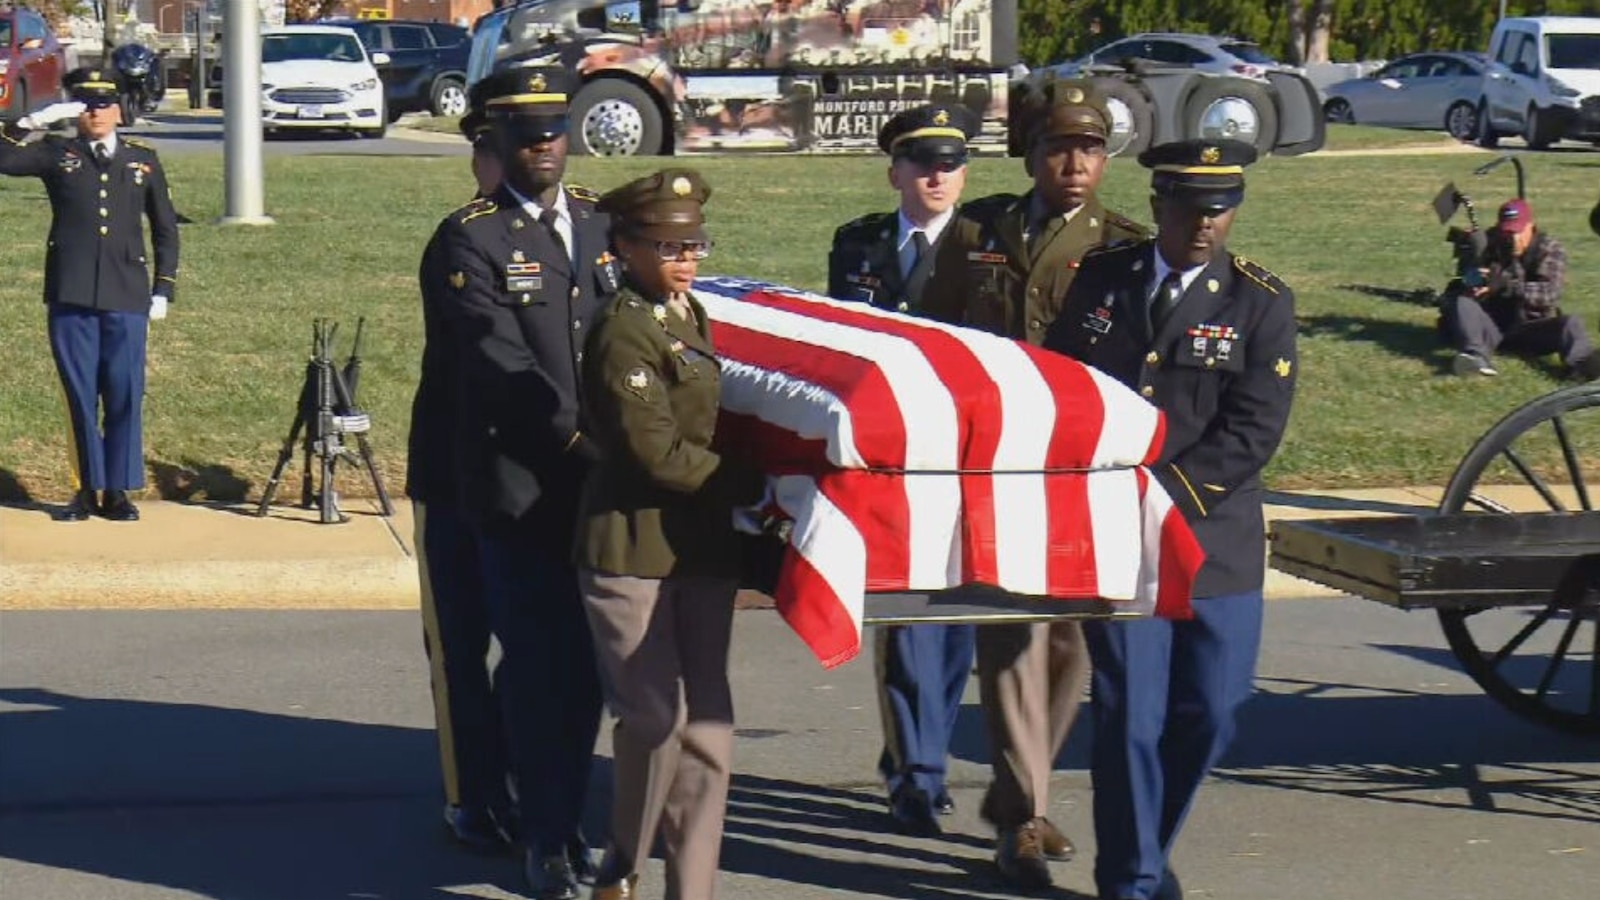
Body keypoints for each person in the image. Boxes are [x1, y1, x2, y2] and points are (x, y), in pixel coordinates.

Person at [1043, 139, 1297, 900]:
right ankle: (1133, 877)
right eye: (1190, 208)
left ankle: (1148, 847)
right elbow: (1069, 388)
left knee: (1213, 713)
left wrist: (1171, 498)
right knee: (1127, 714)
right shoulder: (1102, 279)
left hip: (1213, 542)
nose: (1205, 225)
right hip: (1119, 538)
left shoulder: (1259, 300)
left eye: (1221, 211)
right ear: (1158, 207)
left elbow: (1254, 429)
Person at [920, 76, 1147, 890]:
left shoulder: (1125, 242)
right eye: (1059, 148)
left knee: (1068, 643)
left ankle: (1025, 794)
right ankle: (1022, 815)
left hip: (1081, 467)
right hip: (995, 459)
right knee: (1007, 630)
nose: (1075, 162)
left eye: (1089, 148)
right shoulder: (981, 229)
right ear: (1032, 154)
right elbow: (935, 332)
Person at [433, 65, 617, 899]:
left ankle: (561, 814)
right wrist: (581, 437)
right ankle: (549, 838)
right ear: (496, 144)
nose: (545, 145)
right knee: (544, 665)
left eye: (555, 130)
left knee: (582, 671)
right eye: (526, 134)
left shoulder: (603, 224)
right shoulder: (468, 240)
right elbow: (497, 362)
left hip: (599, 487)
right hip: (519, 490)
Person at [578, 168, 767, 900]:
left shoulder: (687, 315)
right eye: (667, 245)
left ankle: (692, 890)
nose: (685, 259)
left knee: (709, 727)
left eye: (694, 244)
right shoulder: (623, 330)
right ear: (624, 247)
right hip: (631, 548)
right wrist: (753, 484)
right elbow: (651, 449)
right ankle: (623, 861)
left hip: (702, 547)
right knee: (657, 717)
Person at [825, 101, 979, 835]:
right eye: (922, 163)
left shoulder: (989, 246)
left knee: (958, 621)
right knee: (907, 617)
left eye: (950, 163)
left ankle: (929, 755)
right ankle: (915, 772)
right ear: (896, 172)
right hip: (893, 456)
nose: (937, 175)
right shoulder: (856, 245)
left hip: (972, 456)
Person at [406, 91, 515, 852]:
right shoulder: (461, 242)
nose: (503, 162)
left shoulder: (590, 225)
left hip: (539, 478)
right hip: (454, 472)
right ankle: (470, 792)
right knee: (460, 645)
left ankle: (523, 767)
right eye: (492, 149)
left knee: (543, 640)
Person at [0, 66, 179, 522]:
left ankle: (117, 491)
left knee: (123, 392)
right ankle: (84, 491)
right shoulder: (58, 154)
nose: (95, 113)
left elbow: (165, 230)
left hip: (126, 293)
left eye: (103, 105)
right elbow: (4, 157)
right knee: (79, 395)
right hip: (71, 291)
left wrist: (163, 289)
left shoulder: (143, 160)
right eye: (85, 106)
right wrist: (31, 121)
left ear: (118, 111)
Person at [1441, 198, 1599, 380]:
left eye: (1518, 232)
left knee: (1571, 323)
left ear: (1530, 226)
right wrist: (1471, 267)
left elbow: (1549, 294)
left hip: (1529, 328)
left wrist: (1507, 286)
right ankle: (1475, 357)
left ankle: (1583, 369)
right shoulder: (1487, 242)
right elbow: (1463, 282)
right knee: (1462, 303)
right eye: (1507, 233)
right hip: (1490, 325)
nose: (1513, 239)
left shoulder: (1549, 249)